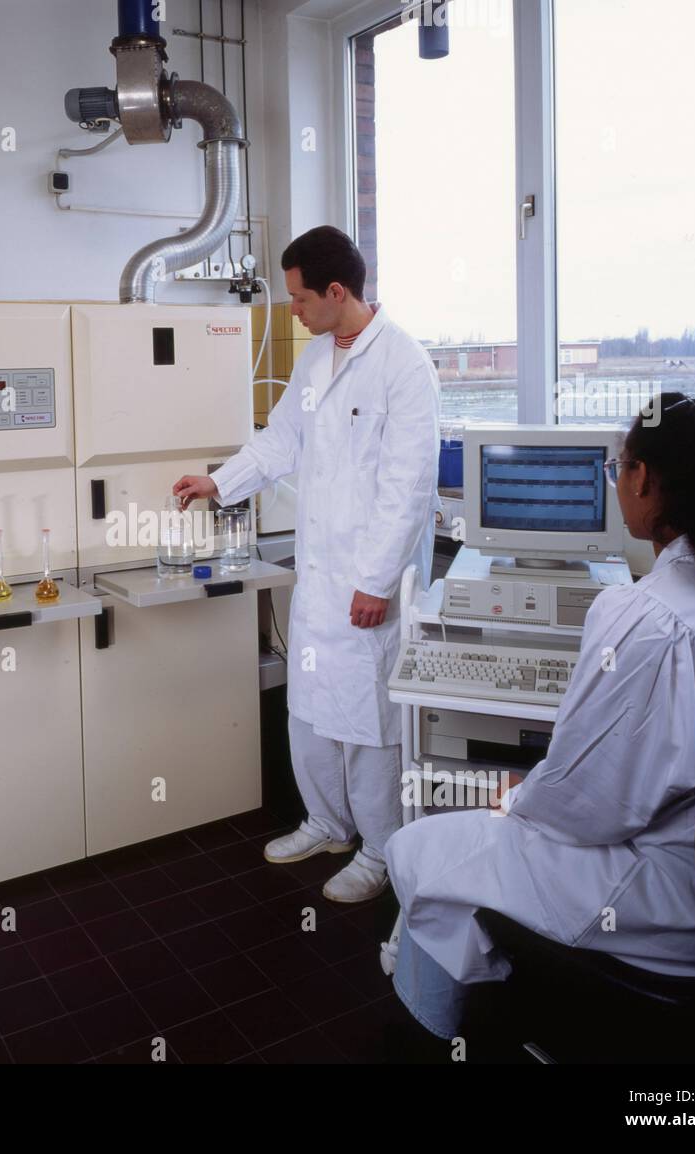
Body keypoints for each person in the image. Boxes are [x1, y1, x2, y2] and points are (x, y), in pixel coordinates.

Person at [384, 394, 695, 1040]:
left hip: (681, 912)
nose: (615, 482)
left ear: (643, 480)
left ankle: (431, 1033)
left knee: (418, 848)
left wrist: (518, 794)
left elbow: (586, 807)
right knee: (474, 850)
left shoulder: (646, 619)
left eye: (619, 468)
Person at [173, 226, 440, 903]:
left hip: (369, 582)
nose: (292, 310)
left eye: (299, 298)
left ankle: (380, 850)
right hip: (320, 577)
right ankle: (326, 823)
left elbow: (408, 487)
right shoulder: (317, 358)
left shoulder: (404, 364)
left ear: (337, 291)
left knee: (369, 722)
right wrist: (219, 482)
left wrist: (376, 581)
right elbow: (282, 439)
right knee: (311, 709)